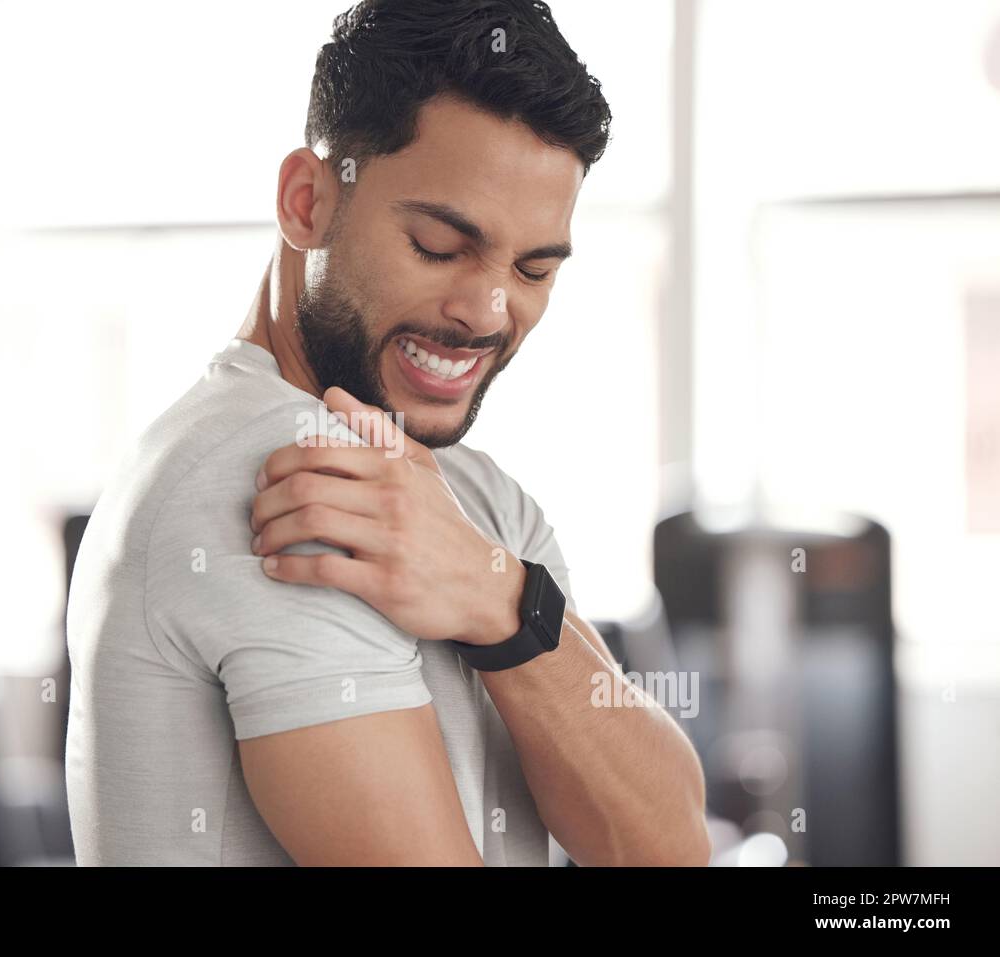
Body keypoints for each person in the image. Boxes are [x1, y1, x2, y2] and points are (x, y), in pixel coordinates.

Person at [65, 0, 710, 866]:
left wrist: (502, 601)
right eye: (441, 246)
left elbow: (669, 845)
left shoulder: (471, 496)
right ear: (307, 202)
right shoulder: (280, 475)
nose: (486, 312)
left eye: (532, 268)